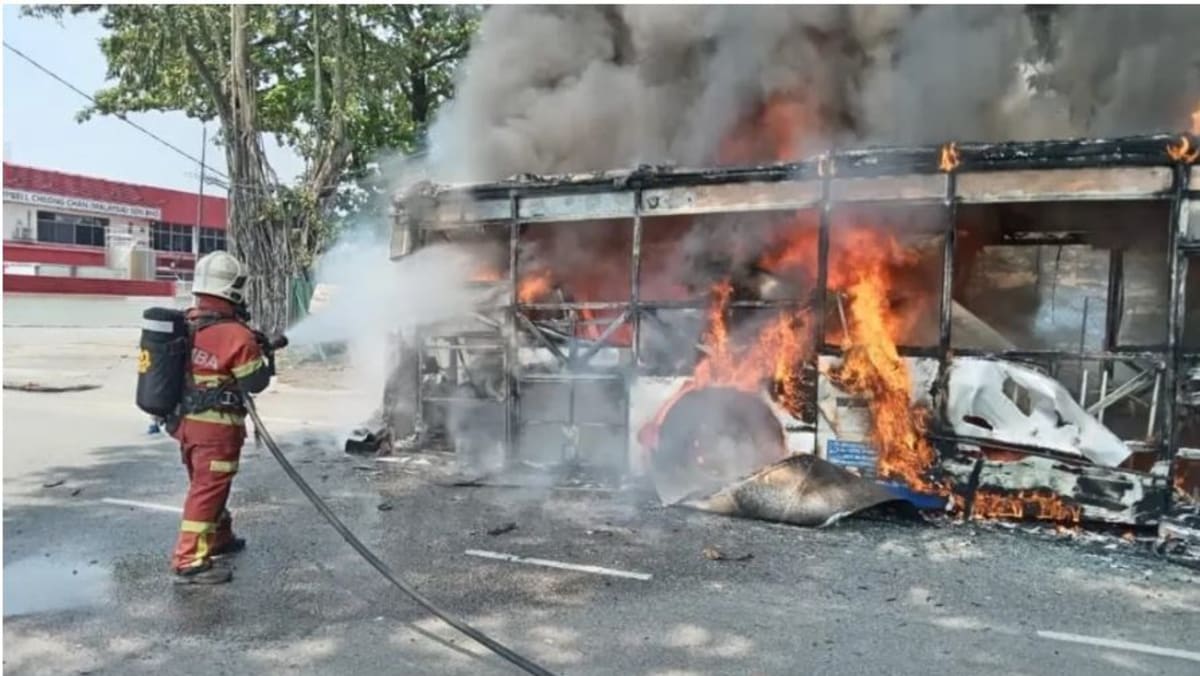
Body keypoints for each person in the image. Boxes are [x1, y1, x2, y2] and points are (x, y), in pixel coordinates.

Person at [170, 251, 273, 585]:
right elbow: (255, 382)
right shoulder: (235, 335)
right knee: (208, 489)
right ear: (233, 289)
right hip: (216, 430)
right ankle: (189, 560)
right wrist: (260, 354)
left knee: (207, 486)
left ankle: (219, 537)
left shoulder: (186, 322)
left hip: (186, 425)